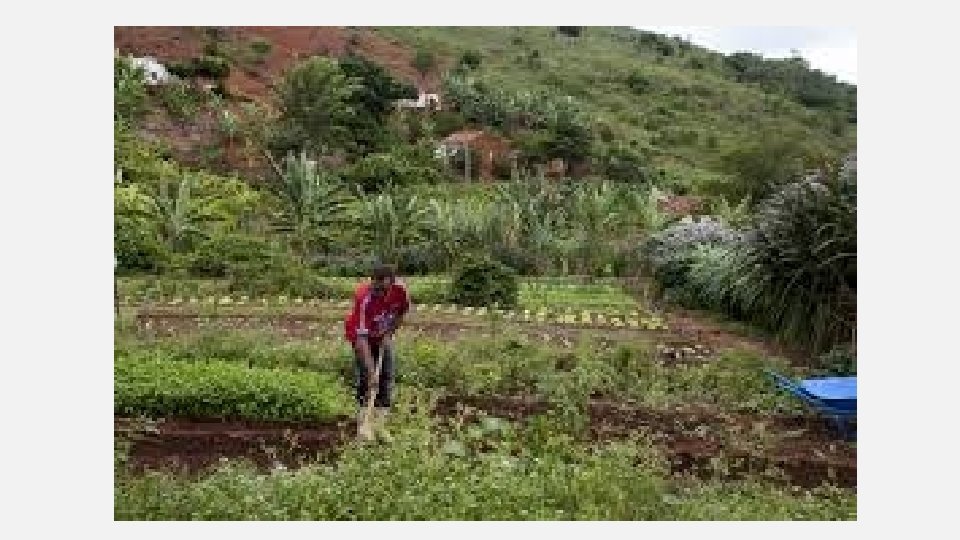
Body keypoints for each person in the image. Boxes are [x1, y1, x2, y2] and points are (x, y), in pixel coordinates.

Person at [343, 263, 411, 442]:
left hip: (382, 334)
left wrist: (390, 332)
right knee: (367, 378)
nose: (378, 293)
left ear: (391, 284)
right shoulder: (363, 297)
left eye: (383, 290)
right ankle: (364, 425)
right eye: (376, 288)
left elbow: (402, 312)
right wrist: (372, 371)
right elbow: (362, 339)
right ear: (371, 282)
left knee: (386, 376)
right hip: (361, 337)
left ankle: (380, 426)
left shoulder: (400, 290)